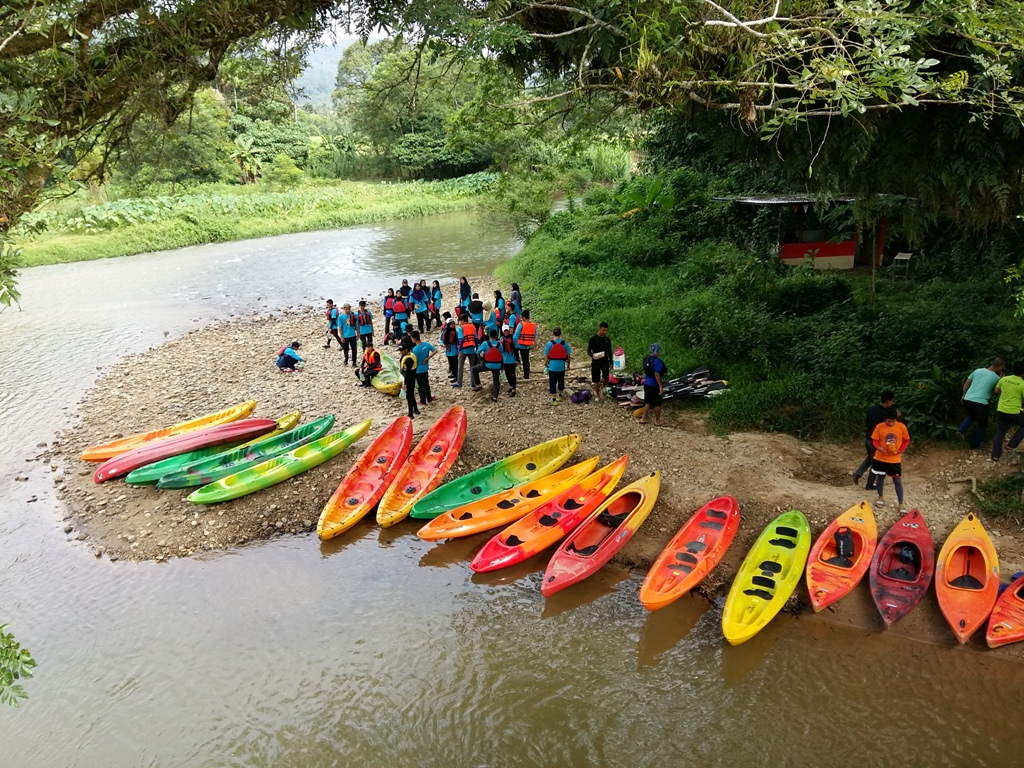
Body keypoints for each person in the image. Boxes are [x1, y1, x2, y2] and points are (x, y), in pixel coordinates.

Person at [853, 390, 896, 490]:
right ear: (888, 401)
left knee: (870, 458)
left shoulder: (871, 409)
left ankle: (857, 475)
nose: (892, 403)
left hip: (867, 438)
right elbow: (889, 426)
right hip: (875, 441)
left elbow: (868, 422)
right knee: (875, 462)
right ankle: (869, 485)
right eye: (892, 401)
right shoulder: (885, 414)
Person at [957, 358, 1005, 449]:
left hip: (968, 399)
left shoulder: (977, 370)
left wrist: (963, 395)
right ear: (999, 366)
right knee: (982, 424)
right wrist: (1001, 380)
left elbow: (967, 383)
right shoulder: (997, 378)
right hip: (981, 402)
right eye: (1001, 367)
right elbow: (996, 392)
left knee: (972, 416)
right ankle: (976, 444)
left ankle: (961, 430)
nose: (1001, 370)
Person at [870, 407, 911, 510]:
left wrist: (900, 450)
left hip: (894, 459)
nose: (891, 423)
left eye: (893, 421)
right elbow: (874, 440)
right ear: (885, 419)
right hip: (880, 457)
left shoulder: (901, 427)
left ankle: (901, 503)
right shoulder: (880, 427)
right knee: (880, 478)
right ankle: (880, 497)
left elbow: (906, 440)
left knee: (897, 481)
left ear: (896, 419)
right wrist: (879, 448)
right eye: (888, 421)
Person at [991, 360, 1024, 460]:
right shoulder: (1022, 384)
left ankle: (995, 455)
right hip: (1014, 411)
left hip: (1001, 410)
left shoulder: (1004, 379)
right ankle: (1012, 444)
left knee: (1001, 431)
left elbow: (996, 392)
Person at [474, 329, 504, 401]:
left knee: (474, 369)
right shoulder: (500, 345)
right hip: (497, 365)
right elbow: (502, 356)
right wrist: (502, 366)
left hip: (487, 365)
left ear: (489, 335)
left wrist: (481, 360)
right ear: (497, 336)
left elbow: (478, 352)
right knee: (496, 381)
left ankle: (478, 385)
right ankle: (495, 397)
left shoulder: (485, 343)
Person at [640, 343, 665, 426]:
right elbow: (657, 374)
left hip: (646, 384)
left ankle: (643, 418)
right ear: (658, 351)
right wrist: (661, 386)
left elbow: (643, 368)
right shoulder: (657, 361)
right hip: (654, 385)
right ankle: (657, 420)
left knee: (648, 402)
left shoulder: (646, 358)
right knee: (657, 403)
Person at [544, 327, 572, 402]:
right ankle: (560, 395)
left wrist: (545, 364)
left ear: (553, 333)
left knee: (552, 381)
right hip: (561, 366)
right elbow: (568, 356)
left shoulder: (550, 343)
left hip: (552, 366)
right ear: (560, 334)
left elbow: (546, 355)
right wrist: (568, 365)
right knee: (561, 380)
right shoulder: (564, 343)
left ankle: (554, 399)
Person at [410, 329, 437, 406]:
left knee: (420, 385)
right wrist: (428, 358)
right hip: (425, 368)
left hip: (418, 370)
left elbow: (415, 361)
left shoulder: (415, 350)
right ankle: (429, 398)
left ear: (414, 338)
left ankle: (423, 400)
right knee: (426, 383)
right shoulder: (426, 344)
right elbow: (435, 351)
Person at [454, 311, 480, 389]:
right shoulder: (472, 326)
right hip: (472, 349)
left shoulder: (461, 328)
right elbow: (476, 339)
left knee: (460, 366)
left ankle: (459, 382)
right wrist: (477, 349)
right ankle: (473, 383)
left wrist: (460, 350)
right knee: (472, 366)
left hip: (464, 349)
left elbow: (461, 340)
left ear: (462, 320)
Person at [588, 321, 613, 399]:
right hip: (596, 361)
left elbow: (609, 351)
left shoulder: (607, 339)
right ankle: (597, 394)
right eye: (603, 330)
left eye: (606, 330)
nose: (604, 332)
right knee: (596, 379)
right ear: (599, 328)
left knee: (606, 376)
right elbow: (588, 350)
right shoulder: (593, 339)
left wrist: (611, 362)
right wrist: (592, 355)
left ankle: (604, 387)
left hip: (605, 361)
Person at [399, 339, 421, 418]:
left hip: (409, 378)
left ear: (406, 350)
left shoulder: (408, 359)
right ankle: (416, 409)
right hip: (409, 376)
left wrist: (405, 383)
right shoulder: (408, 355)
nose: (400, 352)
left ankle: (410, 414)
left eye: (402, 350)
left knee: (409, 396)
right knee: (411, 395)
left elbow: (408, 372)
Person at [513, 309, 536, 380]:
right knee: (526, 360)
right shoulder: (533, 325)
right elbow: (534, 335)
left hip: (518, 345)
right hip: (527, 346)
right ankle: (526, 376)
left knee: (515, 359)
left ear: (523, 317)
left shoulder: (521, 325)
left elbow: (516, 336)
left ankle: (515, 373)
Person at [440, 313, 460, 380]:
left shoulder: (456, 332)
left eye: (453, 324)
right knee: (450, 362)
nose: (453, 325)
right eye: (451, 324)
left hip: (454, 350)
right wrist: (444, 344)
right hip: (448, 350)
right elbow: (441, 339)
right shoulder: (445, 333)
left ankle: (456, 375)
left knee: (455, 363)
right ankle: (453, 373)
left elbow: (458, 341)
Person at [500, 325, 518, 397]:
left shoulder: (513, 338)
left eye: (507, 330)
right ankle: (510, 385)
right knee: (507, 374)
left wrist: (517, 359)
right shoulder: (501, 339)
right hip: (505, 359)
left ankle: (514, 388)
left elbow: (516, 349)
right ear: (503, 331)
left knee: (512, 374)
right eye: (505, 331)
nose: (506, 332)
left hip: (512, 359)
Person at [339, 303, 359, 367]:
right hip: (345, 336)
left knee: (354, 349)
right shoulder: (341, 317)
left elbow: (356, 325)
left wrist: (358, 333)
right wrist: (341, 336)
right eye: (347, 309)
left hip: (352, 335)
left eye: (349, 309)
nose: (348, 310)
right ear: (344, 309)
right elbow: (340, 327)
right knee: (346, 349)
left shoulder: (353, 315)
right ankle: (346, 359)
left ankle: (354, 362)